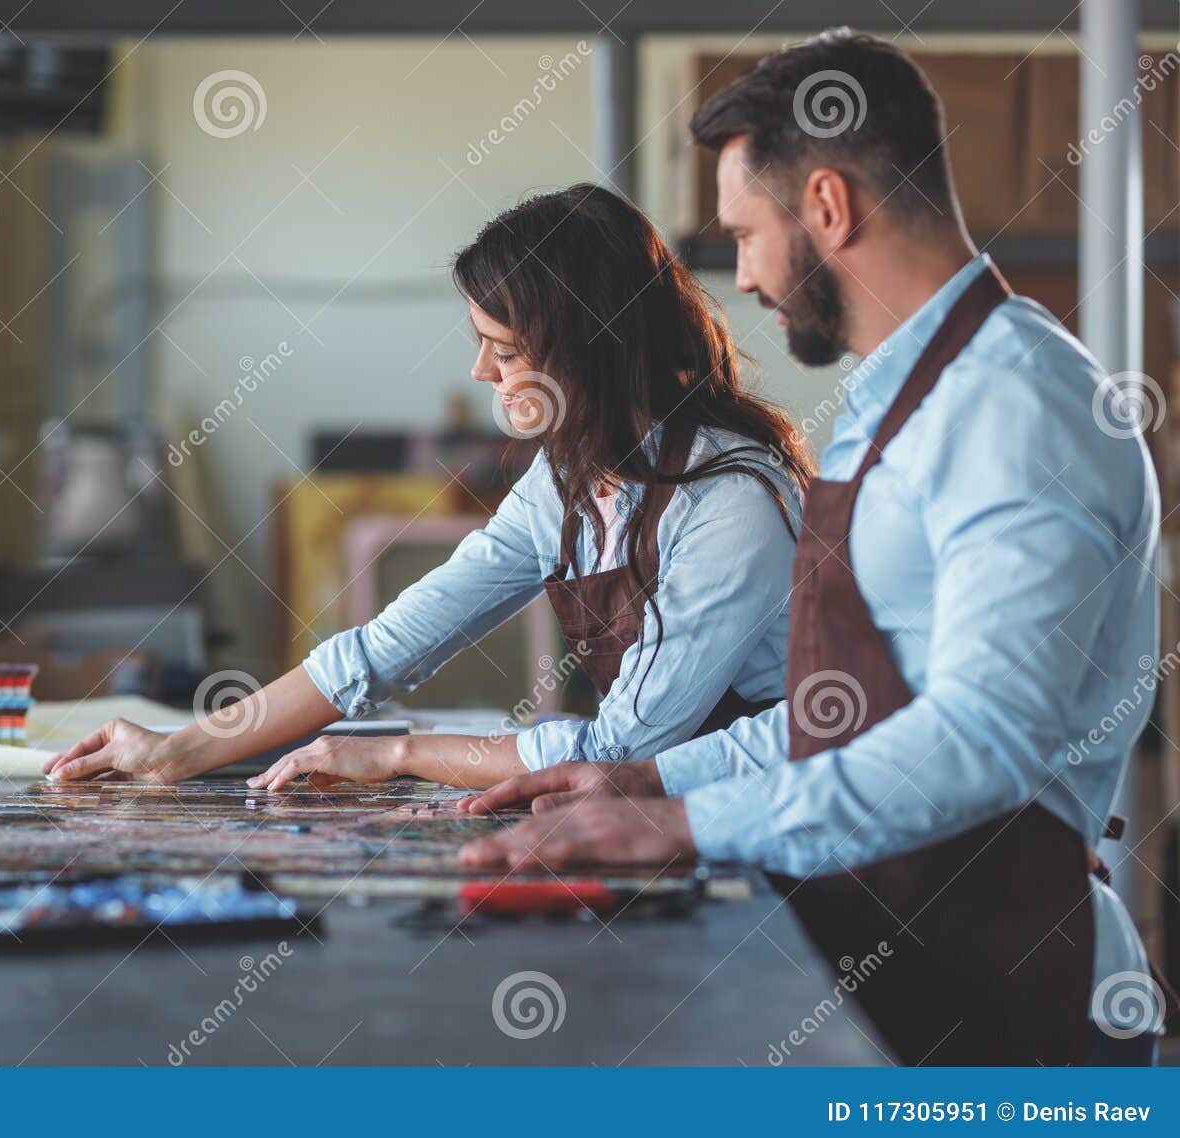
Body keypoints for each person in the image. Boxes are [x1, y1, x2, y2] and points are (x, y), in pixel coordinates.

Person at [461, 30, 1174, 1066]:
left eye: (746, 232)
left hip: (1017, 989)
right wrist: (651, 782)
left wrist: (689, 827)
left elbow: (980, 740)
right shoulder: (893, 405)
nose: (741, 274)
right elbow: (835, 715)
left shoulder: (1010, 406)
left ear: (828, 208)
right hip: (908, 956)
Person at [44, 183, 809, 793]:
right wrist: (178, 750)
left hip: (788, 844)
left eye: (502, 349)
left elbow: (618, 751)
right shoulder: (565, 482)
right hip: (673, 817)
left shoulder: (730, 501)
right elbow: (382, 650)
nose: (481, 372)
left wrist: (400, 752)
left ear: (586, 352)